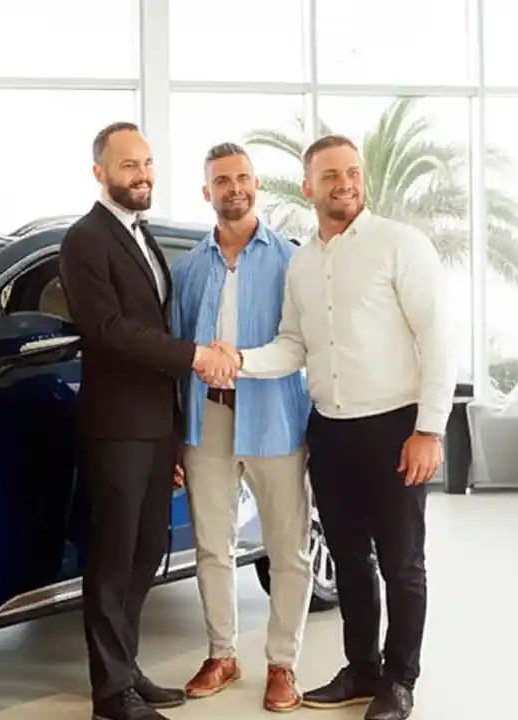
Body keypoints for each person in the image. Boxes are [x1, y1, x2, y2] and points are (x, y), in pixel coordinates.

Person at [217, 134, 453, 720]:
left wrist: (430, 428)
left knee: (402, 563)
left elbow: (438, 339)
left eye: (352, 172)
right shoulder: (303, 261)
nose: (344, 183)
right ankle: (362, 669)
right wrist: (240, 360)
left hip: (396, 428)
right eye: (330, 175)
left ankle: (400, 681)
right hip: (330, 430)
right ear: (308, 187)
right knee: (348, 559)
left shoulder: (401, 245)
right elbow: (293, 344)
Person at [60, 121, 238, 720]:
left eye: (148, 163)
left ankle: (125, 669)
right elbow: (107, 330)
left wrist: (175, 430)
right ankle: (111, 696)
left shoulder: (140, 235)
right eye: (128, 166)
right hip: (115, 426)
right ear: (100, 174)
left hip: (156, 424)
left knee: (145, 555)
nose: (142, 175)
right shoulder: (85, 240)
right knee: (112, 560)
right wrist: (195, 356)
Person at [170, 142, 315, 713]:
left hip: (276, 416)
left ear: (256, 184)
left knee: (288, 550)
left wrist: (241, 360)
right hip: (206, 418)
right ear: (207, 192)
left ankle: (283, 665)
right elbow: (174, 352)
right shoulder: (186, 269)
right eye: (221, 180)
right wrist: (175, 436)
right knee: (212, 546)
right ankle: (222, 654)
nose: (234, 188)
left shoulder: (290, 259)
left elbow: (301, 346)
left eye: (243, 178)